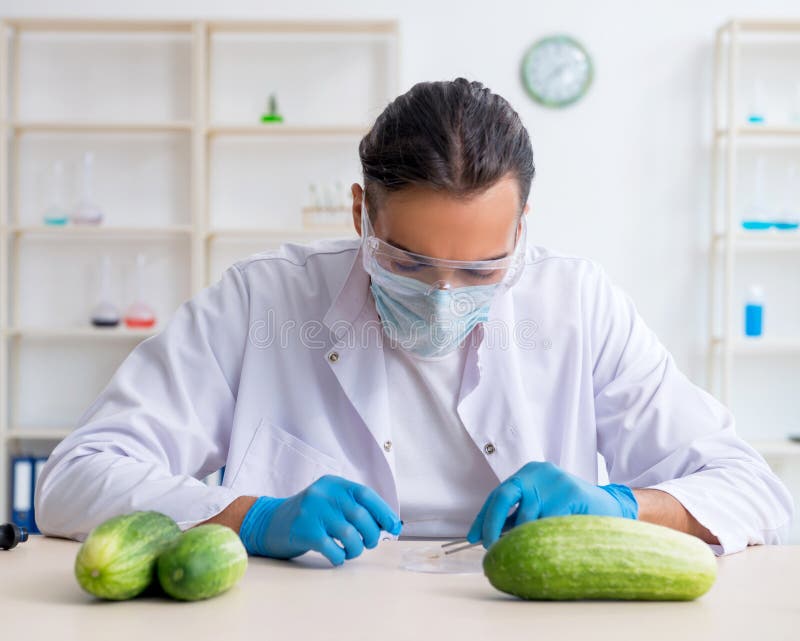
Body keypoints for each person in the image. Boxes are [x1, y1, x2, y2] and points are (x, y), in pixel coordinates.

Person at [35, 78, 793, 566]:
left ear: (521, 229)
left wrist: (622, 505)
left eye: (480, 271)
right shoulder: (261, 302)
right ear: (361, 212)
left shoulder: (579, 305)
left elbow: (756, 494)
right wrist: (250, 516)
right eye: (408, 262)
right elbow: (73, 479)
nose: (441, 296)